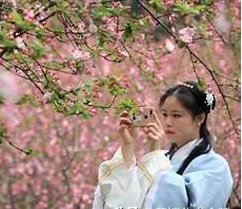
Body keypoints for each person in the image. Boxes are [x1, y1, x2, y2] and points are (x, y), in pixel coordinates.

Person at [92, 81, 234, 208]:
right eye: (165, 114)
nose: (168, 122)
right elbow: (129, 200)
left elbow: (178, 200)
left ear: (199, 118)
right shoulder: (163, 158)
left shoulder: (216, 167)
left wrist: (155, 156)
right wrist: (128, 147)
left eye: (176, 115)